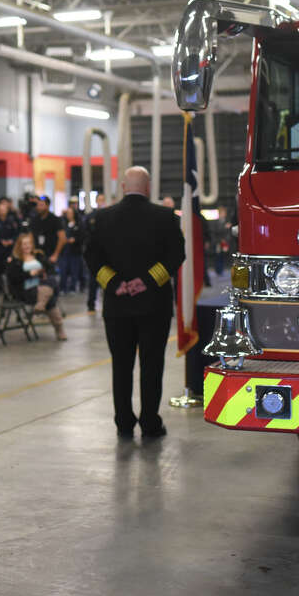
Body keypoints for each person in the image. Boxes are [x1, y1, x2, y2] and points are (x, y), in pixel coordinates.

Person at [84, 166, 184, 439]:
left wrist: (115, 283)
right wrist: (148, 281)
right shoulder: (165, 217)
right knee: (152, 366)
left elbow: (91, 258)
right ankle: (150, 422)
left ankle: (124, 422)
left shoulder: (102, 218)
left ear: (123, 187)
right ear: (148, 187)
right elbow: (177, 255)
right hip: (154, 305)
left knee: (121, 365)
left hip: (117, 308)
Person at [4, 232, 66, 340]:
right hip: (26, 290)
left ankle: (40, 305)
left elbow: (51, 268)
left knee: (50, 281)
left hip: (43, 285)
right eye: (24, 244)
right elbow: (13, 278)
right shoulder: (15, 261)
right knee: (50, 299)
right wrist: (30, 274)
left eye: (29, 243)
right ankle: (59, 329)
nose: (27, 246)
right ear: (19, 246)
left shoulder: (39, 255)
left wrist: (42, 273)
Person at [29, 196, 66, 272]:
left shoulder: (55, 219)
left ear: (48, 206)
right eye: (38, 205)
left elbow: (62, 238)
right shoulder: (34, 220)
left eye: (41, 205)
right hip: (37, 254)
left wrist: (55, 255)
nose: (38, 207)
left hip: (51, 255)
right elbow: (31, 236)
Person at [57, 206, 84, 293]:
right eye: (67, 213)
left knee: (74, 270)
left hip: (75, 251)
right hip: (64, 251)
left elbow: (82, 236)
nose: (69, 215)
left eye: (70, 213)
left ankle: (73, 287)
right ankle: (63, 288)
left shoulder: (79, 224)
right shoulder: (63, 224)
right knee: (63, 271)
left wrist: (75, 239)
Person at [0, 196, 19, 270]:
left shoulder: (12, 221)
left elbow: (16, 233)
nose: (2, 211)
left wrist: (11, 240)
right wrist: (0, 240)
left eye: (4, 210)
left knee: (10, 267)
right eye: (0, 210)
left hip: (10, 248)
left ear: (7, 210)